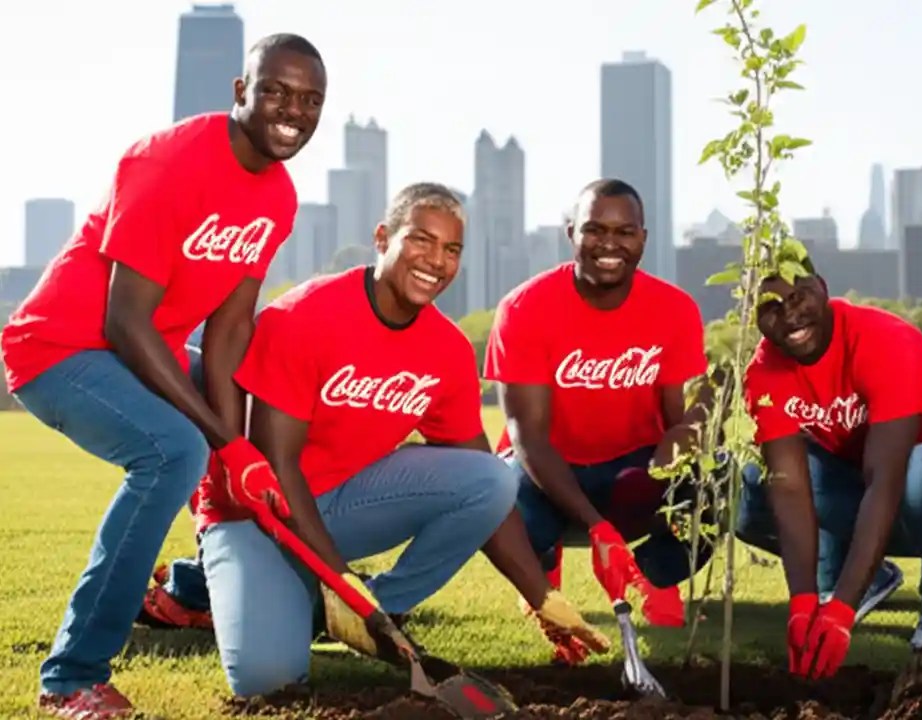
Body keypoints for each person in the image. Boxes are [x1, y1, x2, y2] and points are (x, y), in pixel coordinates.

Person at [0, 34, 327, 718]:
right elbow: (126, 322)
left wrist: (240, 443)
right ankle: (72, 676)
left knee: (252, 421)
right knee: (174, 452)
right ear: (241, 91)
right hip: (61, 348)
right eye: (275, 91)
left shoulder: (280, 196)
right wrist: (222, 441)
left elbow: (232, 327)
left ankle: (192, 594)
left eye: (309, 100)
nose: (292, 110)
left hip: (155, 346)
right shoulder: (168, 161)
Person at [192, 182, 609, 696]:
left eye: (451, 249)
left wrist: (541, 597)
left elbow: (488, 489)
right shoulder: (306, 316)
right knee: (267, 679)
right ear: (383, 237)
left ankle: (377, 606)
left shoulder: (448, 351)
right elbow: (280, 467)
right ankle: (300, 593)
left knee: (491, 477)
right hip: (256, 514)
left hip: (343, 506)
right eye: (421, 240)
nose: (435, 261)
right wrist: (341, 583)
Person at [734, 261, 922, 679]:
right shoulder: (763, 372)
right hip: (870, 490)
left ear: (823, 288)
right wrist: (802, 604)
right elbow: (789, 489)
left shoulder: (883, 338)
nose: (789, 315)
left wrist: (842, 610)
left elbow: (886, 477)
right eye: (770, 306)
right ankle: (866, 577)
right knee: (758, 483)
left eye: (798, 296)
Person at [483, 178, 715, 637]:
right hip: (543, 467)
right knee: (495, 500)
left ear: (642, 239)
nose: (609, 244)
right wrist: (597, 528)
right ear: (571, 233)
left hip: (631, 468)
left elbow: (678, 421)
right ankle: (542, 569)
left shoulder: (675, 309)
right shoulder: (524, 307)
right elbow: (528, 435)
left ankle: (653, 574)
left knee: (719, 479)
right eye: (594, 230)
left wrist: (695, 435)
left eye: (624, 232)